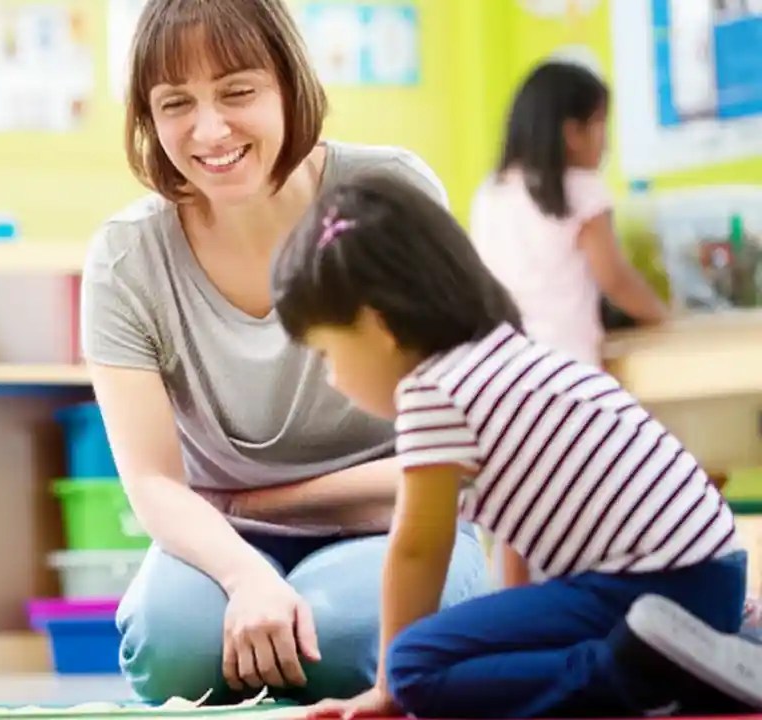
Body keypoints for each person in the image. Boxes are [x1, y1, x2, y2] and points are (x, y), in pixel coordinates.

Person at [81, 0, 490, 704]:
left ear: (289, 85)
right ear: (149, 118)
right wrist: (245, 576)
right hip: (224, 539)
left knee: (334, 636)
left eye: (238, 91)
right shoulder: (126, 257)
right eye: (177, 103)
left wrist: (281, 498)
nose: (209, 130)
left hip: (400, 523)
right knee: (171, 647)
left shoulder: (387, 194)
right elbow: (153, 483)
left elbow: (465, 439)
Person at [270, 168, 762, 719]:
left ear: (380, 328)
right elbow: (517, 532)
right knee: (492, 634)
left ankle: (636, 675)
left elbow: (417, 548)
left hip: (655, 586)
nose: (333, 378)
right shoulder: (504, 354)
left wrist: (388, 689)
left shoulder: (433, 394)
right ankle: (718, 651)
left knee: (415, 666)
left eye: (328, 355)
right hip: (710, 570)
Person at [470, 60, 668, 370]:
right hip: (568, 364)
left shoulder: (490, 193)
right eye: (602, 123)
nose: (606, 141)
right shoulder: (582, 189)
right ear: (573, 133)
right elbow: (614, 279)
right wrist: (660, 316)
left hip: (504, 363)